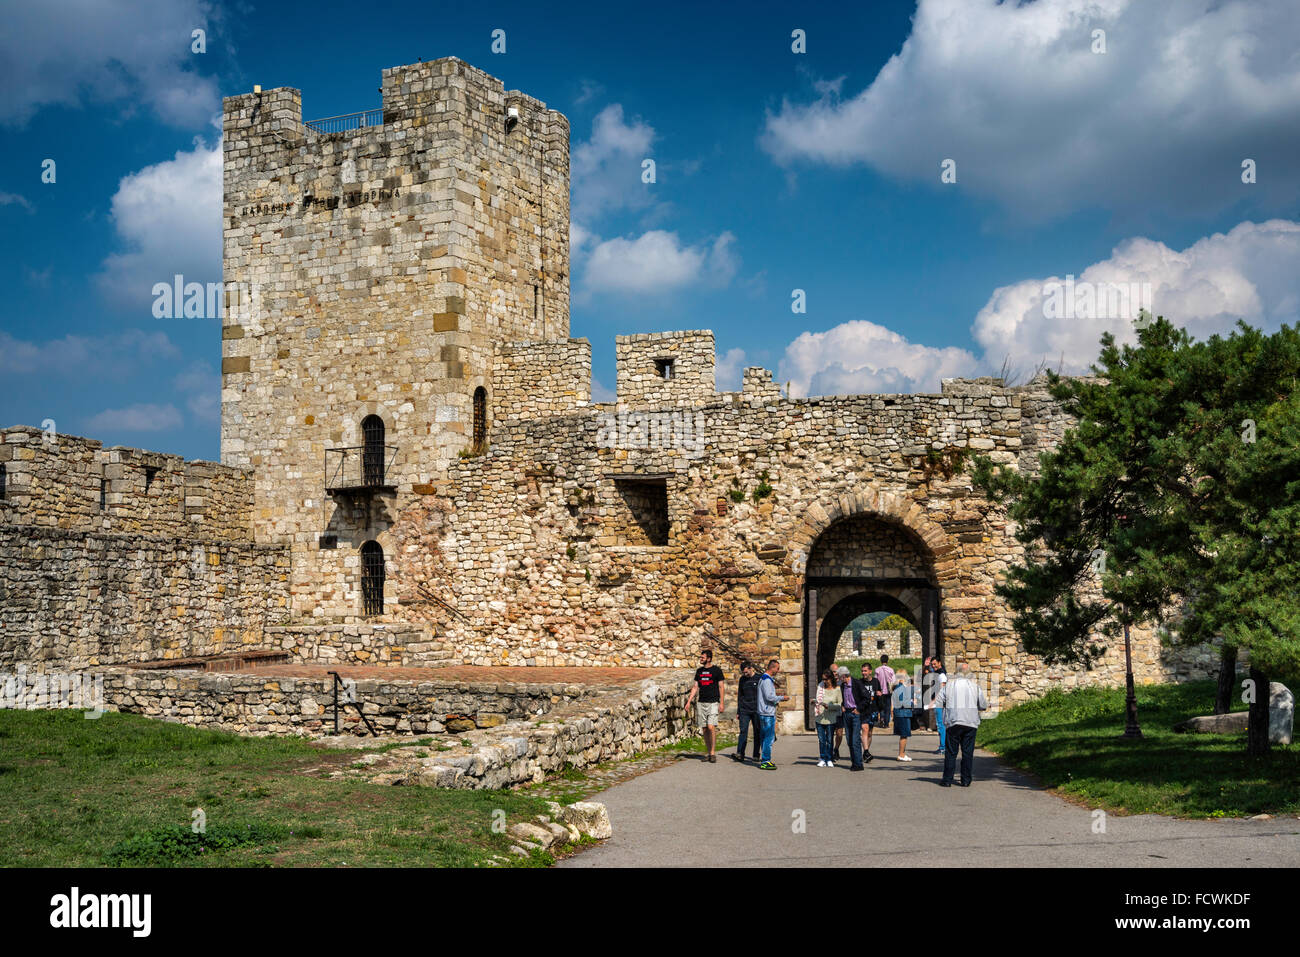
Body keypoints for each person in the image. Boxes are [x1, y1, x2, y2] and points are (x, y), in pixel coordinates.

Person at [936, 660, 989, 787]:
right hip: (970, 722)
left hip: (953, 721)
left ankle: (947, 779)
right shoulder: (975, 687)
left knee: (951, 752)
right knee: (967, 752)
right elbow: (983, 705)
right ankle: (966, 780)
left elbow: (939, 701)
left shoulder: (949, 686)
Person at [684, 649, 725, 763]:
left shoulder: (717, 671)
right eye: (700, 657)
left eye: (702, 657)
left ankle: (712, 753)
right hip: (701, 702)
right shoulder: (699, 671)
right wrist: (688, 701)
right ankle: (708, 753)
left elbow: (721, 687)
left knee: (711, 726)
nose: (700, 659)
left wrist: (721, 703)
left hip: (713, 702)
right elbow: (695, 687)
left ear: (709, 659)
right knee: (705, 728)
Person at [756, 658, 787, 770]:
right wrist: (782, 698)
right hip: (767, 713)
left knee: (765, 738)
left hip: (763, 712)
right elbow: (769, 697)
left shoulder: (764, 679)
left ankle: (765, 759)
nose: (778, 670)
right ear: (772, 667)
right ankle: (765, 760)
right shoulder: (767, 680)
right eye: (777, 668)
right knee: (768, 738)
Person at [733, 660, 762, 763]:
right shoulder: (742, 680)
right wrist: (738, 711)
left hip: (756, 710)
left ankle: (756, 755)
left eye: (746, 672)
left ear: (751, 668)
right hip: (744, 709)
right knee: (743, 731)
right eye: (743, 673)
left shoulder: (759, 678)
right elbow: (740, 695)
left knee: (757, 732)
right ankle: (740, 753)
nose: (745, 674)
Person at [836, 666, 865, 771]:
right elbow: (843, 698)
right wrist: (843, 705)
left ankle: (859, 764)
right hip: (846, 713)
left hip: (855, 713)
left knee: (855, 740)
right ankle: (854, 763)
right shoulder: (843, 686)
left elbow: (866, 697)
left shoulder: (857, 684)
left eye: (839, 677)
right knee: (849, 740)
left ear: (844, 676)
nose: (839, 679)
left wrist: (859, 709)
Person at [814, 670, 842, 767]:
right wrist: (814, 702)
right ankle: (822, 758)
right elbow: (817, 700)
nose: (824, 681)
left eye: (826, 679)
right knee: (821, 740)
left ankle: (829, 758)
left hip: (831, 719)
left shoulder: (837, 689)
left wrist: (829, 707)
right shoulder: (820, 688)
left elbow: (839, 705)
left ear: (831, 678)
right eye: (823, 679)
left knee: (829, 740)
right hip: (819, 717)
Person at [854, 663, 877, 763]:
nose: (863, 673)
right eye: (862, 671)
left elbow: (879, 695)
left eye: (865, 671)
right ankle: (866, 751)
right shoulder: (859, 682)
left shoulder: (876, 682)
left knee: (870, 733)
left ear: (870, 671)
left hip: (873, 710)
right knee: (865, 728)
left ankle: (865, 752)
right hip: (863, 710)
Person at [926, 658, 948, 753]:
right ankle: (943, 746)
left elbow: (942, 690)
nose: (933, 666)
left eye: (935, 664)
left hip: (940, 703)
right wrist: (926, 665)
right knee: (941, 725)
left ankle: (943, 747)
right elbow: (927, 671)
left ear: (939, 663)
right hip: (939, 703)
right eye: (932, 664)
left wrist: (933, 701)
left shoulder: (942, 675)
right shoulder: (938, 673)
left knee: (941, 725)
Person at [893, 670, 915, 761]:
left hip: (901, 713)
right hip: (903, 713)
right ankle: (901, 754)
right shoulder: (901, 687)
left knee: (904, 735)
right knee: (904, 734)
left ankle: (902, 754)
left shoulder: (898, 687)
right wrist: (912, 703)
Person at [874, 654, 895, 729]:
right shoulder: (891, 670)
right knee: (888, 707)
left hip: (880, 691)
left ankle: (882, 718)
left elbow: (875, 681)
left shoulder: (877, 670)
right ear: (887, 661)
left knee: (881, 706)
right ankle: (886, 723)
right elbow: (894, 681)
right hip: (888, 691)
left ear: (881, 661)